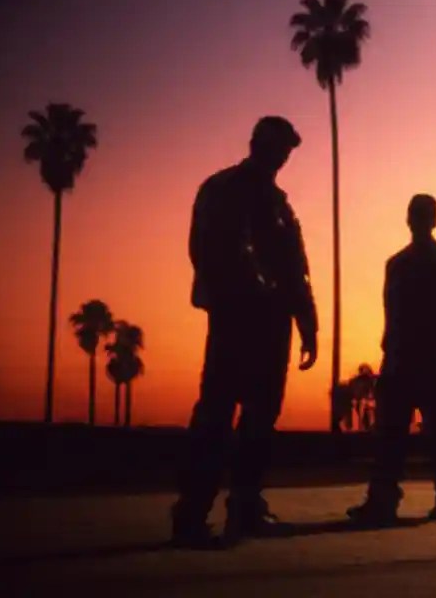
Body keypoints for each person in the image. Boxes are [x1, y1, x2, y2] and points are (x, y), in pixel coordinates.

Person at [172, 116, 318, 548]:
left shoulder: (280, 205)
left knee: (261, 416)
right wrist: (251, 288)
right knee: (215, 415)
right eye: (277, 147)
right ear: (257, 144)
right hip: (236, 318)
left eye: (287, 151)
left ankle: (246, 505)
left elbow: (297, 269)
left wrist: (306, 323)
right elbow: (208, 248)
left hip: (273, 325)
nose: (282, 157)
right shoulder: (223, 188)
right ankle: (192, 512)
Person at [348, 194, 436, 525]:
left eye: (423, 214)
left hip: (429, 354)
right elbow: (390, 310)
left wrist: (435, 341)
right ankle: (383, 500)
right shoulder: (397, 264)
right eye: (414, 214)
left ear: (433, 220)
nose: (418, 220)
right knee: (390, 433)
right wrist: (390, 347)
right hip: (400, 356)